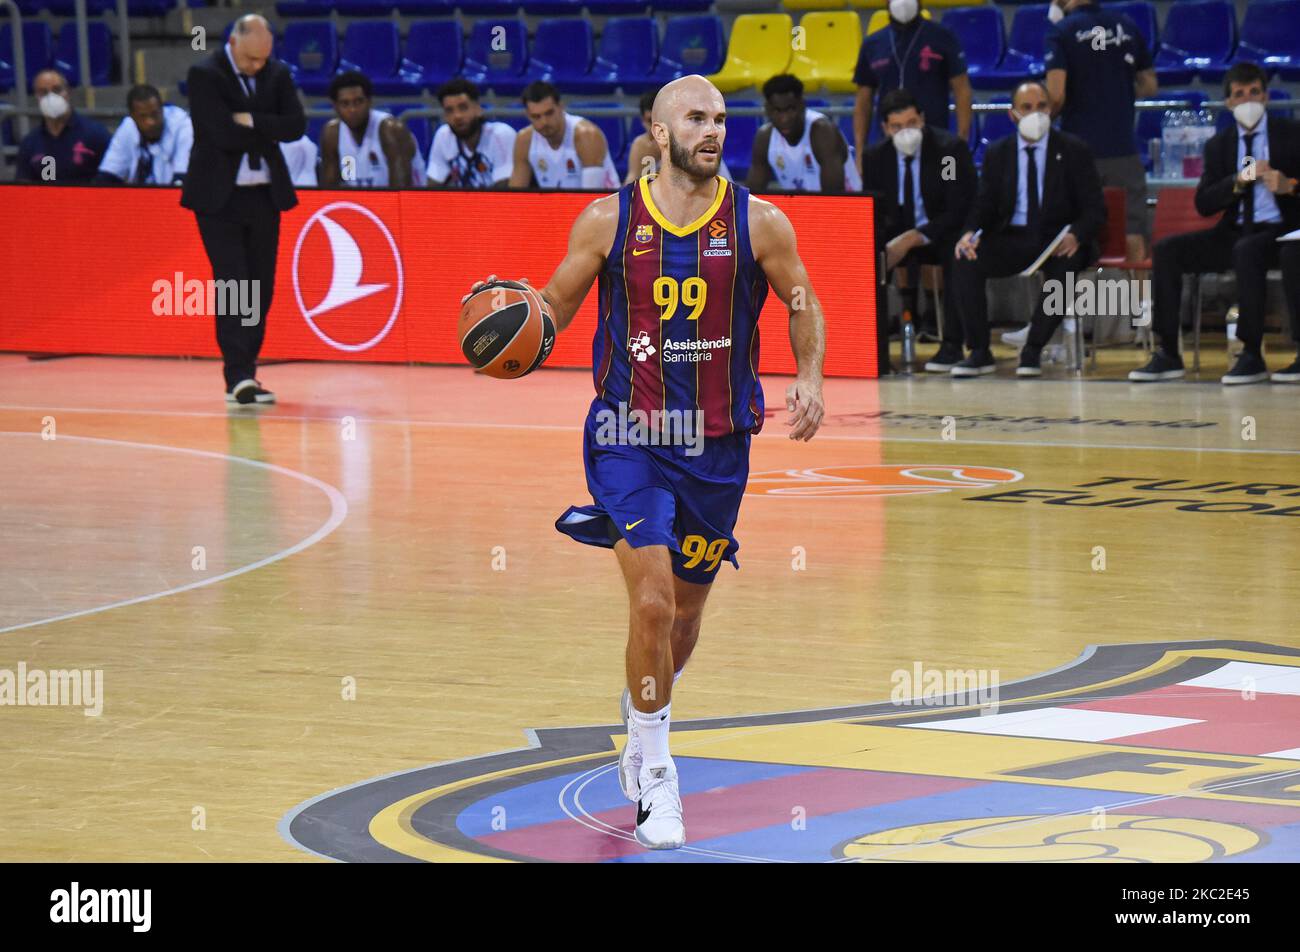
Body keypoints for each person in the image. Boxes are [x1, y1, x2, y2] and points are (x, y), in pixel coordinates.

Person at [462, 74, 826, 850]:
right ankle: (657, 775)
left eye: (721, 119)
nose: (712, 130)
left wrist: (811, 376)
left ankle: (641, 713)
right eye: (695, 118)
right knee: (654, 602)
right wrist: (517, 321)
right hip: (628, 433)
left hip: (719, 444)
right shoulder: (606, 221)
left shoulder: (761, 224)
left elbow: (802, 301)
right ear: (659, 135)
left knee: (685, 617)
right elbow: (555, 306)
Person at [1130, 63, 1300, 385]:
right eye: (1240, 94)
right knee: (1167, 250)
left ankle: (1250, 354)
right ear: (1228, 102)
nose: (1248, 100)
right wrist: (1237, 181)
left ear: (1265, 97)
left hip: (1281, 231)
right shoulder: (1219, 145)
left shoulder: (1291, 135)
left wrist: (1290, 186)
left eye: (1254, 93)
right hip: (1233, 231)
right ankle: (1168, 353)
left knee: (1248, 250)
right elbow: (1204, 203)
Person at [181, 14, 305, 405]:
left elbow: (296, 125)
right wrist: (267, 127)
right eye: (252, 60)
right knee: (234, 284)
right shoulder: (205, 74)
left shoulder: (277, 73)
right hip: (219, 198)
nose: (258, 67)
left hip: (265, 195)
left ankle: (247, 368)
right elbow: (219, 133)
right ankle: (237, 374)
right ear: (235, 43)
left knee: (261, 286)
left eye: (263, 61)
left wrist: (251, 119)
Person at [950, 80, 1105, 378]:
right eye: (1027, 108)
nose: (1036, 114)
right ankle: (980, 351)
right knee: (963, 259)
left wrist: (1077, 233)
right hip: (1013, 236)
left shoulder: (1074, 150)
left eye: (1042, 106)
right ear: (1013, 115)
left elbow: (1095, 208)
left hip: (1059, 239)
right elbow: (984, 204)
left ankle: (1033, 350)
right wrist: (969, 233)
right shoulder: (998, 153)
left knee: (1067, 267)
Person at [863, 89, 976, 371]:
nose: (906, 132)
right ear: (885, 129)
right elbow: (875, 210)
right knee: (868, 259)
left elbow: (957, 210)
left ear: (923, 120)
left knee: (958, 257)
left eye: (912, 123)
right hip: (896, 233)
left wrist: (915, 237)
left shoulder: (948, 151)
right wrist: (885, 243)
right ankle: (872, 350)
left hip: (940, 232)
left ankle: (952, 345)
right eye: (897, 127)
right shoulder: (875, 157)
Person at [1045, 0, 1157, 263]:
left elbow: (1056, 95)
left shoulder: (1061, 31)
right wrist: (1117, 90)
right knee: (1132, 229)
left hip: (1076, 152)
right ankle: (1139, 303)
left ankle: (1066, 302)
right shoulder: (1127, 25)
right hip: (1123, 148)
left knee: (1071, 232)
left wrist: (1038, 123)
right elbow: (1150, 85)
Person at [852, 0, 972, 172]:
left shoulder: (943, 36)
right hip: (889, 144)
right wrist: (860, 152)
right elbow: (863, 102)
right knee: (891, 195)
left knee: (948, 187)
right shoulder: (872, 44)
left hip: (937, 144)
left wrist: (962, 141)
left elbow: (962, 89)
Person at [746, 73, 861, 193]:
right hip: (801, 209)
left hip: (848, 209)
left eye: (790, 109)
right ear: (768, 110)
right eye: (777, 111)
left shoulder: (823, 132)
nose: (784, 118)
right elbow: (753, 194)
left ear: (802, 105)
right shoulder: (765, 138)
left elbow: (833, 197)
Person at [319, 71, 425, 188]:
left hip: (409, 204)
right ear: (335, 106)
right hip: (361, 204)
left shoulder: (391, 130)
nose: (352, 109)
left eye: (358, 102)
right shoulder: (332, 134)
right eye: (345, 104)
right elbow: (329, 192)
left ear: (369, 102)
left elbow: (401, 193)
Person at [508, 81, 620, 189]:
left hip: (607, 206)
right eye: (536, 116)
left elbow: (592, 196)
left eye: (549, 113)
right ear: (528, 115)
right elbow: (514, 196)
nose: (544, 122)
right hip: (560, 207)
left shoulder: (587, 136)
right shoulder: (524, 140)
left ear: (561, 107)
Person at [15, 69, 110, 183]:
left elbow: (110, 179)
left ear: (68, 92)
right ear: (36, 97)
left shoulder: (96, 134)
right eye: (43, 92)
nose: (51, 97)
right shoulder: (30, 143)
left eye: (57, 90)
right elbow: (23, 186)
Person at [625, 87, 733, 183]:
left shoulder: (694, 146)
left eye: (719, 121)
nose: (655, 126)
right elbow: (631, 186)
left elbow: (688, 191)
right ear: (642, 121)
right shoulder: (641, 145)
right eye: (650, 121)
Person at [427, 77, 516, 189]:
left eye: (463, 108)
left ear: (479, 109)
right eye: (449, 110)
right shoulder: (443, 136)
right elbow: (432, 187)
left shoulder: (501, 135)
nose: (457, 116)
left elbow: (505, 191)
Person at [96, 85, 193, 185]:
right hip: (137, 197)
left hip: (169, 197)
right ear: (132, 116)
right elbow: (107, 176)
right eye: (143, 116)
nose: (150, 122)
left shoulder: (182, 125)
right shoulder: (128, 126)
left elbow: (181, 180)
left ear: (162, 109)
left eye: (154, 114)